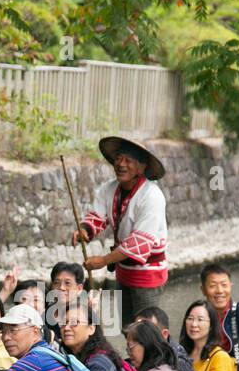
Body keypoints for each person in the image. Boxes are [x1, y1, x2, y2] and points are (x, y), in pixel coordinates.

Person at [72, 136, 169, 325]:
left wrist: (103, 261)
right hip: (123, 271)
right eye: (118, 159)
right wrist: (85, 230)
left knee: (147, 329)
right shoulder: (108, 189)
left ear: (141, 167)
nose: (121, 164)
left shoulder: (152, 196)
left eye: (128, 160)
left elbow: (139, 244)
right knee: (126, 327)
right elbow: (98, 217)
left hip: (148, 273)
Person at [58, 299, 126, 371]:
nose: (67, 328)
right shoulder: (72, 357)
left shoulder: (99, 363)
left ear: (91, 328)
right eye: (64, 323)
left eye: (75, 323)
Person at [179, 300, 237, 371]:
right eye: (190, 318)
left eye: (200, 319)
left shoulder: (220, 357)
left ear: (211, 325)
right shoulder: (182, 353)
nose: (194, 324)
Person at [45, 261, 87, 339]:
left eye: (67, 283)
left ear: (79, 288)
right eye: (57, 283)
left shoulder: (85, 316)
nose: (61, 288)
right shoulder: (45, 313)